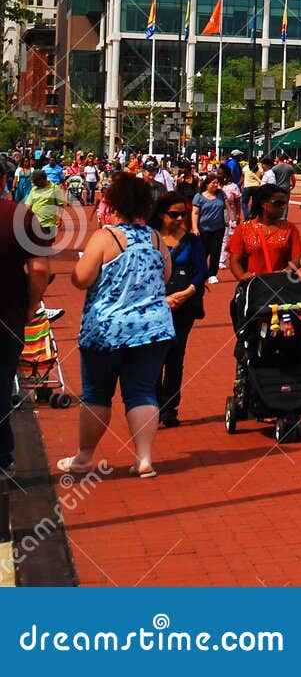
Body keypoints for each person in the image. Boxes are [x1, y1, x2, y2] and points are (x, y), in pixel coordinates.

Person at [57, 172, 173, 479]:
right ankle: (144, 458)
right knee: (142, 392)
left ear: (115, 204)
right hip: (152, 328)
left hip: (107, 329)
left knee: (97, 393)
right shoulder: (156, 237)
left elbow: (81, 279)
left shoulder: (105, 237)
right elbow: (166, 276)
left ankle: (84, 457)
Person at [0, 193, 50, 474]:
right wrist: (32, 306)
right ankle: (1, 458)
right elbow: (40, 269)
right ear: (5, 181)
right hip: (8, 316)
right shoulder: (21, 216)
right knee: (2, 384)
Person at [153, 191, 208, 428]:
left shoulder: (193, 240)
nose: (178, 219)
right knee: (154, 357)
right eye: (173, 214)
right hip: (154, 305)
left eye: (182, 214)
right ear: (160, 215)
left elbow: (202, 271)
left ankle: (169, 408)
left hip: (183, 306)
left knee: (176, 357)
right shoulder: (150, 239)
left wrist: (186, 293)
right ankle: (151, 407)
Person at [225, 184, 301, 276]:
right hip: (255, 285)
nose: (283, 207)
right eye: (278, 203)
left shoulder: (290, 229)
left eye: (284, 203)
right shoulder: (244, 228)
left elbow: (298, 258)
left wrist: (286, 272)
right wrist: (243, 277)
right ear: (264, 204)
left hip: (280, 285)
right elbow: (234, 260)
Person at [191, 172, 229, 285]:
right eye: (213, 183)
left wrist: (230, 220)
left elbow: (226, 208)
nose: (215, 185)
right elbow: (195, 213)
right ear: (207, 184)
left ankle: (212, 274)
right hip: (203, 228)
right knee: (203, 251)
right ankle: (201, 271)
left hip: (218, 227)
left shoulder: (221, 194)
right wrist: (194, 227)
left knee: (215, 251)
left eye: (217, 183)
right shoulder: (199, 197)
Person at [24, 167, 67, 238]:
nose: (33, 183)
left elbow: (60, 205)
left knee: (46, 245)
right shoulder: (34, 189)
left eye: (34, 181)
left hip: (48, 223)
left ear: (41, 180)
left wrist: (59, 219)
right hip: (35, 223)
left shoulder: (54, 188)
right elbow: (28, 205)